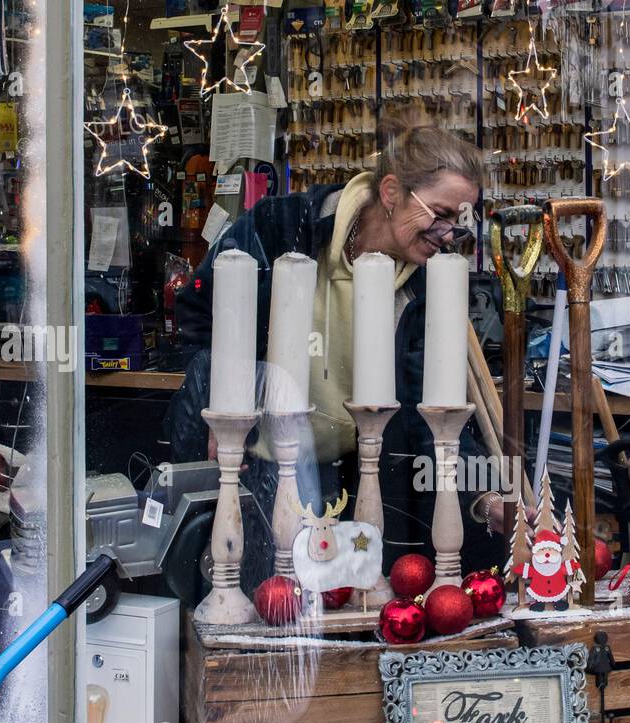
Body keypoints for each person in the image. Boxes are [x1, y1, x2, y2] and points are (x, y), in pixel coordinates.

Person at [165, 113, 511, 592]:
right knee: (263, 616)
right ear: (391, 193)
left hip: (359, 485)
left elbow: (430, 411)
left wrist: (485, 498)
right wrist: (218, 399)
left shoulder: (432, 288)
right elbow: (199, 312)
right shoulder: (283, 226)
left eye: (461, 220)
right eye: (441, 213)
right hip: (258, 477)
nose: (451, 233)